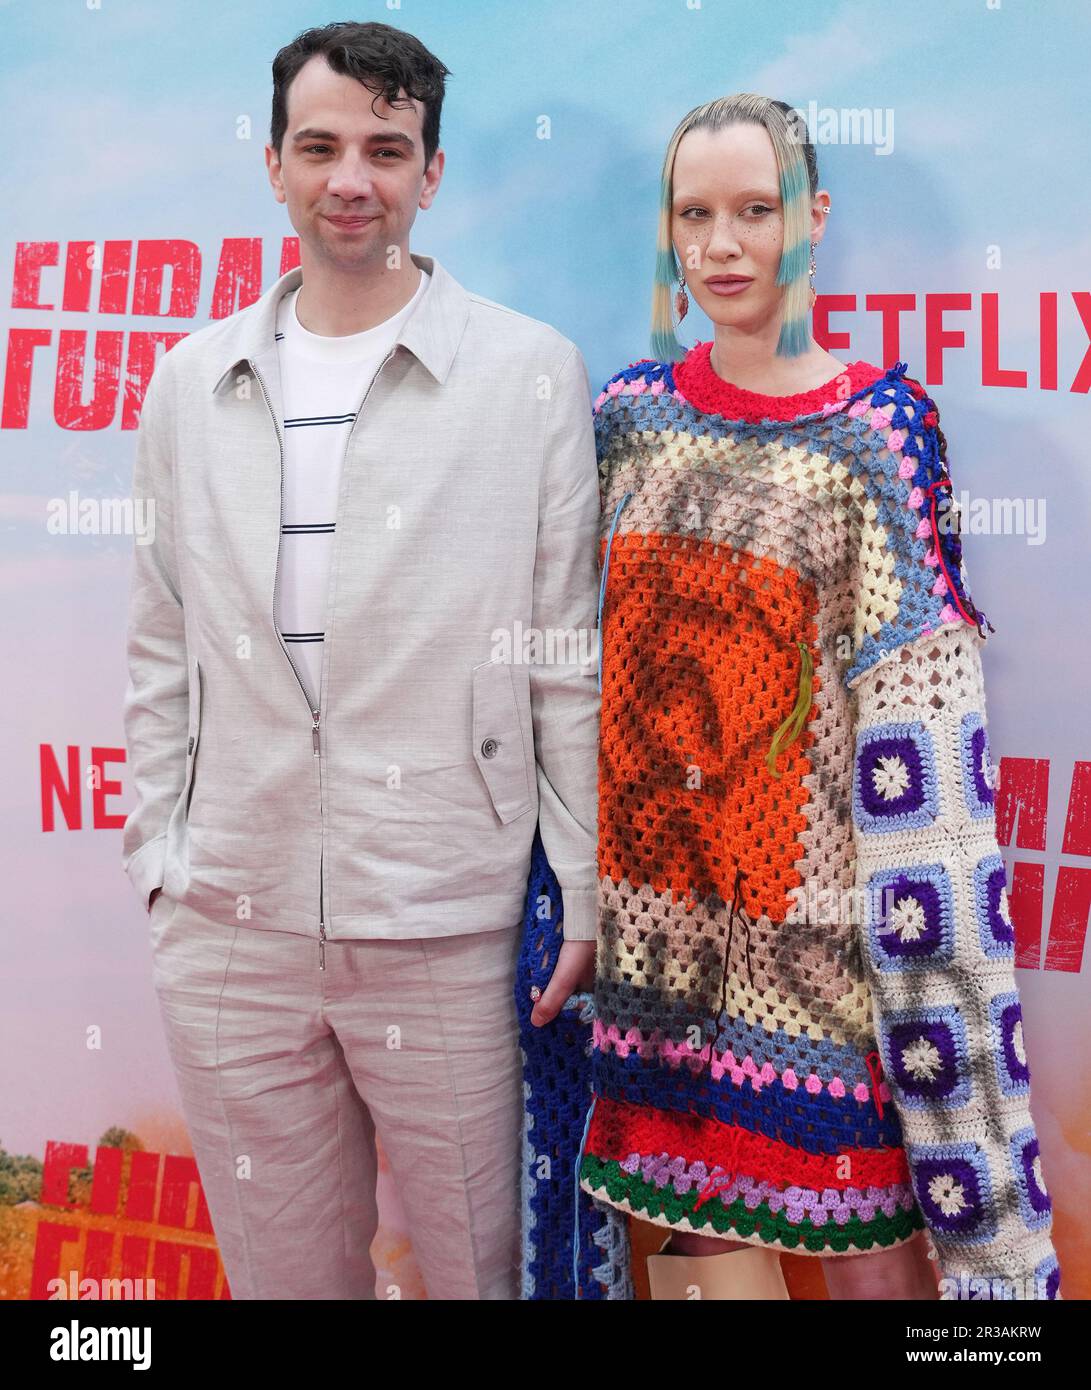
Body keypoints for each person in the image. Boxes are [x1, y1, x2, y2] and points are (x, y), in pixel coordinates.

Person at [121, 20, 598, 1300]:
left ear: (429, 174)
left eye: (386, 150)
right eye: (321, 146)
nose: (352, 178)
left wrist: (584, 874)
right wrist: (160, 859)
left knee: (483, 1274)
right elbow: (160, 636)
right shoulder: (187, 382)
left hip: (449, 915)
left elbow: (565, 654)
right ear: (273, 163)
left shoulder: (528, 376)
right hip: (229, 923)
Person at [577, 93, 1061, 1301]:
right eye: (695, 214)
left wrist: (922, 958)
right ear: (668, 231)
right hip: (662, 963)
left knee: (868, 1260)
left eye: (755, 209)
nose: (724, 244)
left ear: (813, 216)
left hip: (824, 957)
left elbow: (922, 731)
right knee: (698, 1255)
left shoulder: (876, 436)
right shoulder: (626, 422)